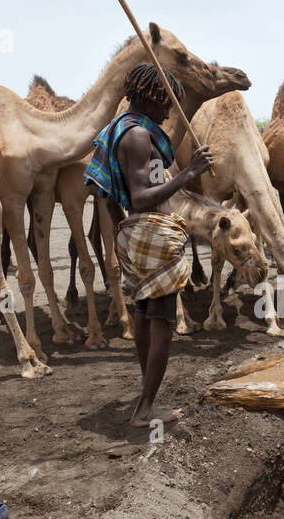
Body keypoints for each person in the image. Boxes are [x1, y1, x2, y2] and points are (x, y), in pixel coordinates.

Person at [85, 62, 214, 427]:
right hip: (153, 232)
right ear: (151, 96)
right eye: (166, 101)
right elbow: (141, 196)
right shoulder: (139, 137)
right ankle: (146, 409)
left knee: (144, 313)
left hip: (135, 233)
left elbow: (106, 192)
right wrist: (189, 173)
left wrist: (124, 233)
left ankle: (146, 392)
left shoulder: (115, 132)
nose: (169, 110)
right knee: (163, 320)